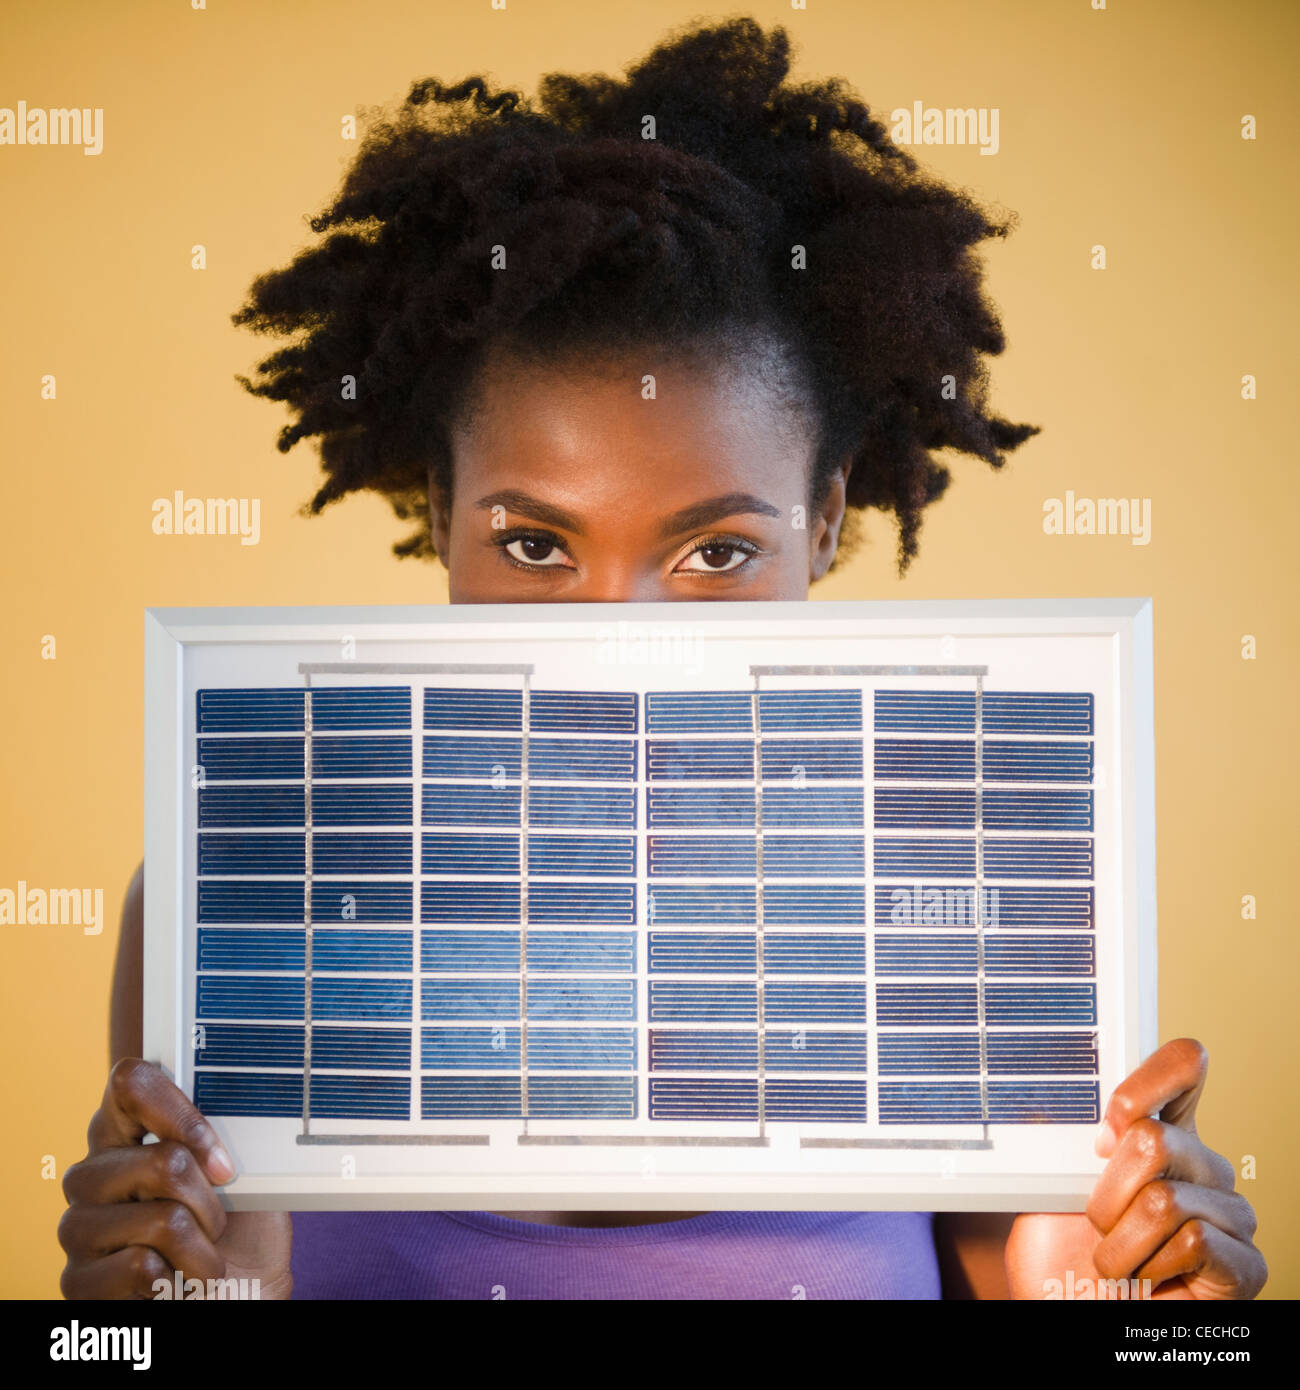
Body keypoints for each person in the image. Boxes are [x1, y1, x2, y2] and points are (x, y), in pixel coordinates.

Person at [57, 17, 1265, 1299]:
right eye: (533, 546)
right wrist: (154, 1323)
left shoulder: (971, 907)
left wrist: (1141, 1317)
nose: (615, 646)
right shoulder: (239, 906)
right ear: (435, 510)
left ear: (824, 519)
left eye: (716, 553)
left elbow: (1068, 1293)